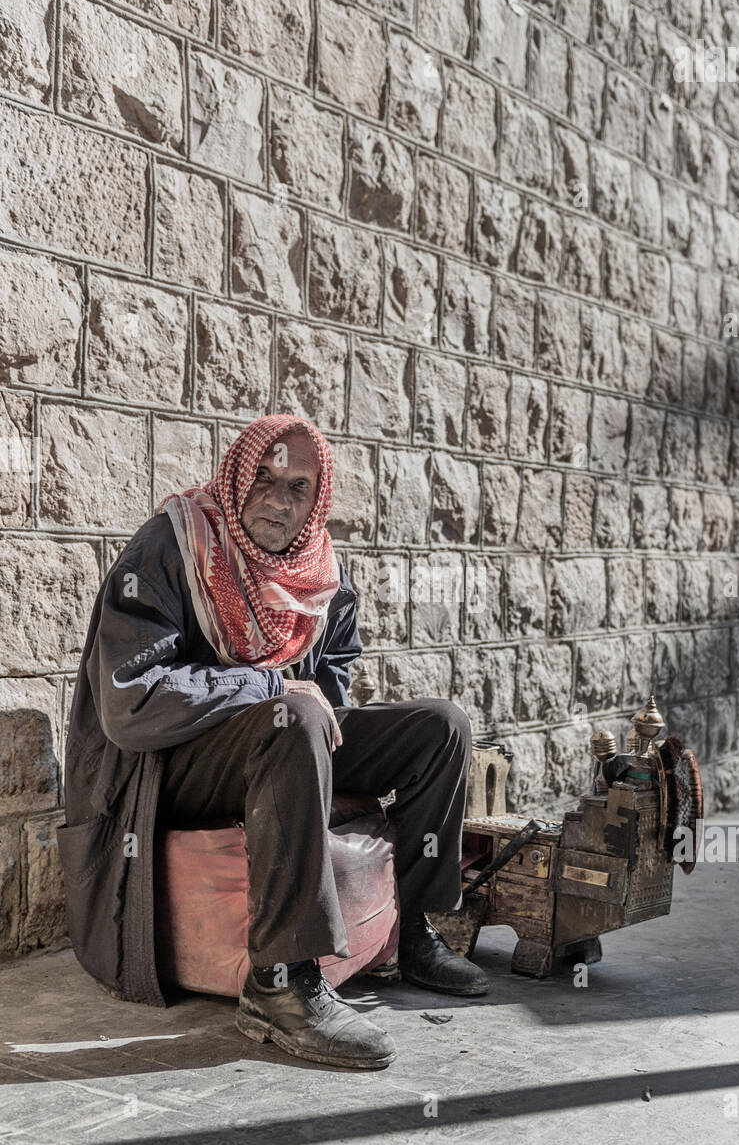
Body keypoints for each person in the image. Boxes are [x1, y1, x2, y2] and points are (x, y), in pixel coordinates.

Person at [58, 414, 487, 1072]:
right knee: (294, 718)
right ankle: (280, 984)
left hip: (279, 747)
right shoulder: (172, 546)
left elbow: (330, 695)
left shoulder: (320, 577)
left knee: (440, 727)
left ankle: (413, 930)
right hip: (162, 768)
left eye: (297, 487)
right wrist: (265, 686)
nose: (277, 499)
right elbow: (129, 705)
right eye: (263, 477)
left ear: (317, 501)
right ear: (236, 476)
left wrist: (291, 701)